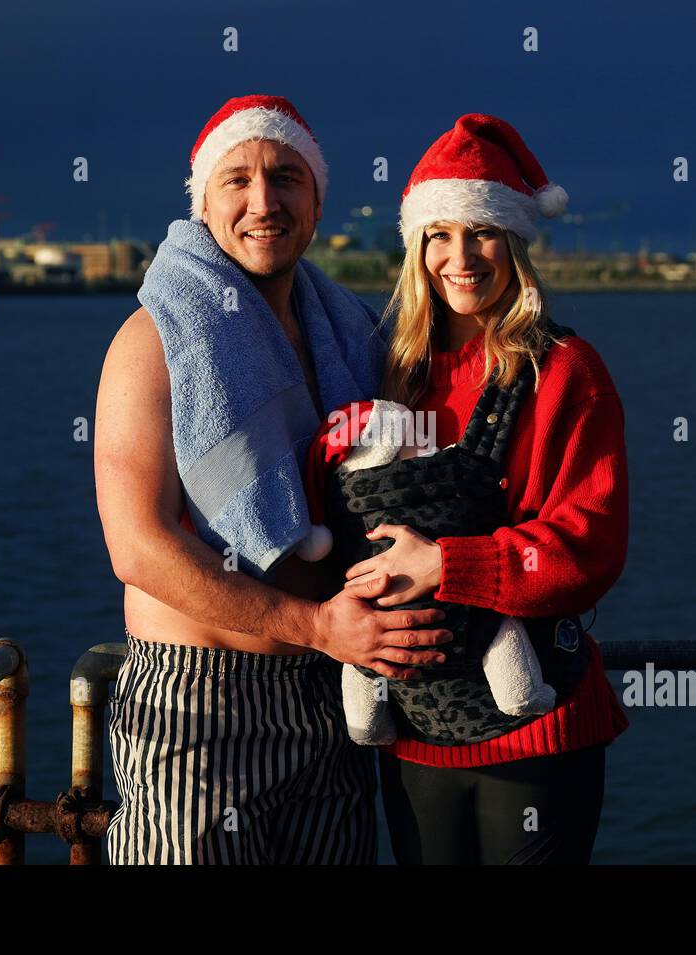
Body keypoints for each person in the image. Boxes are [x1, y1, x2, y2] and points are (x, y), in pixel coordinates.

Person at [93, 94, 452, 864]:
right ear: (203, 202)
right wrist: (317, 626)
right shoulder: (152, 341)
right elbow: (137, 546)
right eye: (238, 180)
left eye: (286, 177)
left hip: (331, 700)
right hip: (200, 706)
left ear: (317, 200)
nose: (264, 201)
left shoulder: (348, 334)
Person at [339, 113, 632, 864]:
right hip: (415, 727)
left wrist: (447, 566)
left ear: (517, 242)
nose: (460, 256)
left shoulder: (566, 370)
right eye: (439, 233)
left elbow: (591, 546)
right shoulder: (394, 372)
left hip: (536, 729)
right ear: (416, 247)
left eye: (483, 232)